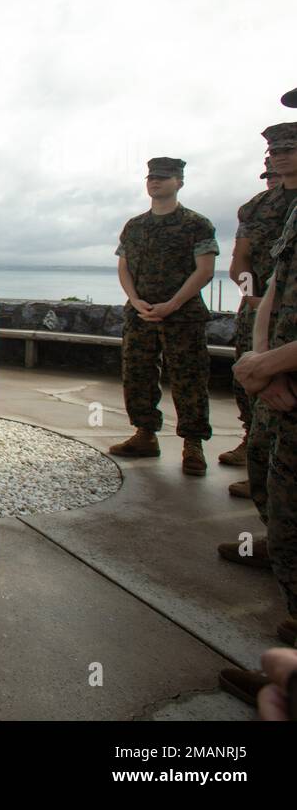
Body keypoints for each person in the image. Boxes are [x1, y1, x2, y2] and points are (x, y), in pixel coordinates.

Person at [225, 122, 297, 708]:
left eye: (289, 145)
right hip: (278, 376)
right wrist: (263, 362)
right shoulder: (275, 212)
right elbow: (264, 284)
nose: (277, 153)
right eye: (274, 146)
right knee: (271, 479)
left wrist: (269, 362)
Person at [109, 157, 217, 476]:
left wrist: (172, 304)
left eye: (163, 177)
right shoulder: (135, 226)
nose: (154, 182)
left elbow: (205, 270)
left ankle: (193, 444)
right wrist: (136, 300)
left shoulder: (197, 224)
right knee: (137, 374)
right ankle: (145, 434)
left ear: (179, 182)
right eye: (151, 177)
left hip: (183, 316)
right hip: (140, 314)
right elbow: (124, 266)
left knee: (189, 378)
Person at [224, 149, 297, 505]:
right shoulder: (256, 208)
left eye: (290, 149)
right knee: (255, 398)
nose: (279, 162)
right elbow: (240, 262)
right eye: (276, 153)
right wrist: (253, 301)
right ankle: (266, 484)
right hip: (262, 316)